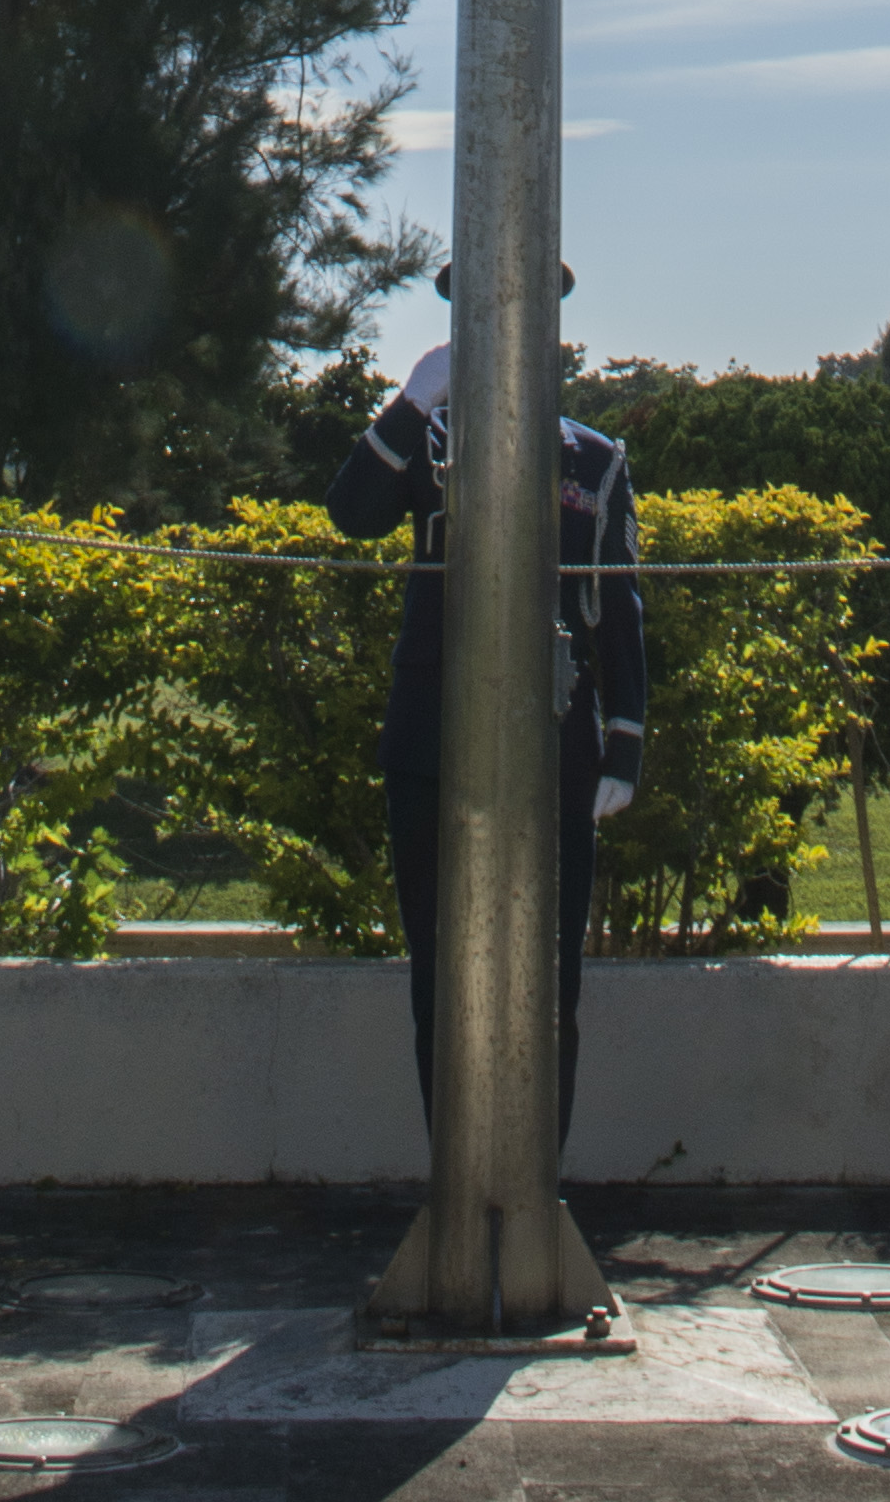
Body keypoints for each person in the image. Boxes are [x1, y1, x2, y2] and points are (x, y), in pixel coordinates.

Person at [323, 273, 644, 1152]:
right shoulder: (426, 437)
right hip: (431, 737)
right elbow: (351, 514)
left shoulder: (593, 460)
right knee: (440, 978)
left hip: (557, 739)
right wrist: (412, 400)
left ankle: (538, 1181)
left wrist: (623, 744)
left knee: (552, 980)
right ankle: (456, 1181)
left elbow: (618, 609)